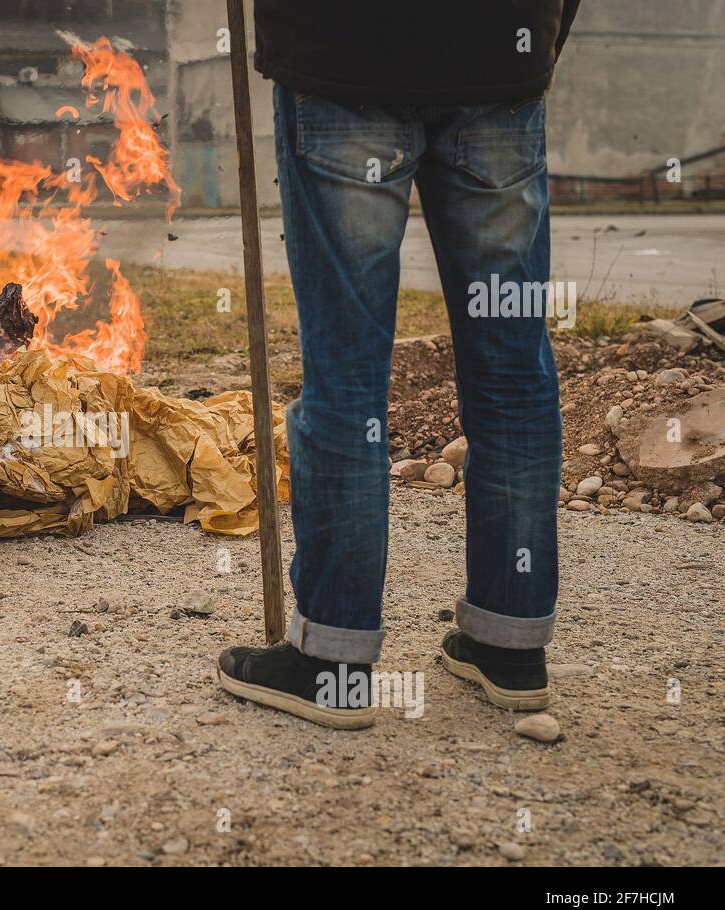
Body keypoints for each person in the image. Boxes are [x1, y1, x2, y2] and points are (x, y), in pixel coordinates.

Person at [218, 1, 582, 729]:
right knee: (512, 369)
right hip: (498, 59)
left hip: (346, 55)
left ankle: (333, 663)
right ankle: (509, 644)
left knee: (348, 378)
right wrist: (535, 45)